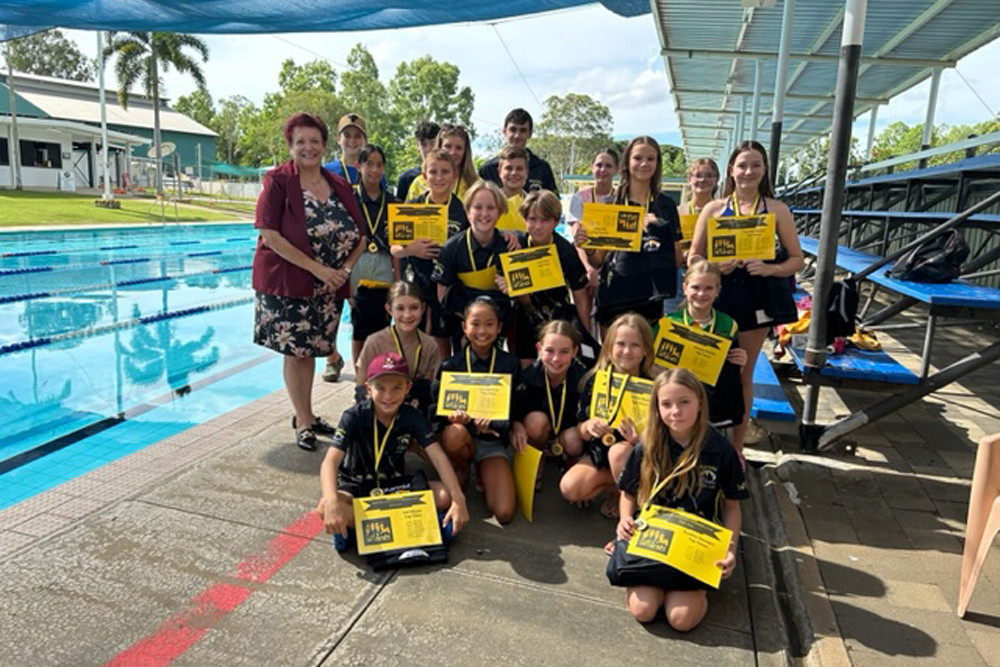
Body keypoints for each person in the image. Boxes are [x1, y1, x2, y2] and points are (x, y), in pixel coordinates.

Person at [252, 112, 365, 451]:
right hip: (289, 282)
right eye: (300, 141)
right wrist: (319, 270)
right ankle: (303, 419)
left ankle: (308, 415)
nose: (308, 147)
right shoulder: (278, 181)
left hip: (329, 286)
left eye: (314, 141)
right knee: (297, 352)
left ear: (324, 145)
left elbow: (361, 236)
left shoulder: (339, 185)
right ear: (290, 146)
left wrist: (343, 271)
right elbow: (269, 235)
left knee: (312, 352)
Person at [690, 140, 804, 453]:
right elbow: (693, 257)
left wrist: (770, 270)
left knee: (743, 373)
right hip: (718, 300)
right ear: (731, 169)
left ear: (765, 169)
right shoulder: (714, 208)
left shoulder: (777, 210)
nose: (748, 171)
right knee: (706, 368)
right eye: (742, 165)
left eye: (756, 165)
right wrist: (715, 266)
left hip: (756, 300)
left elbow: (797, 259)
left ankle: (736, 448)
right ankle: (697, 441)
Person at [612, 368, 747, 631]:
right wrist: (625, 519)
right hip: (655, 533)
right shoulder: (647, 446)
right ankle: (654, 578)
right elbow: (628, 493)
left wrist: (730, 549)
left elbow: (732, 507)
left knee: (681, 620)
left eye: (684, 402)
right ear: (657, 408)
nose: (676, 411)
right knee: (644, 610)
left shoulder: (721, 450)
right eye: (667, 404)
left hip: (695, 538)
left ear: (699, 403)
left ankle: (692, 587)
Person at [317, 352, 469, 551]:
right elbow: (330, 462)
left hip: (392, 486)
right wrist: (331, 500)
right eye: (380, 387)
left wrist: (459, 500)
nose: (388, 396)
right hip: (356, 487)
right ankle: (414, 524)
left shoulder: (412, 417)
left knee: (445, 495)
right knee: (324, 508)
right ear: (368, 389)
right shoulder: (353, 416)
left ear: (408, 388)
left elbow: (438, 457)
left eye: (397, 387)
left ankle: (361, 530)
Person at [575, 136, 682, 333]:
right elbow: (598, 261)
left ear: (658, 164)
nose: (644, 164)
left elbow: (676, 259)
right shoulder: (609, 204)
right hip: (615, 295)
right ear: (627, 162)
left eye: (651, 159)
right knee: (612, 361)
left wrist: (658, 230)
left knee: (643, 362)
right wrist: (588, 247)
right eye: (638, 158)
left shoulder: (665, 205)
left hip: (650, 297)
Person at [433, 297, 522, 524]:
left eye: (489, 324)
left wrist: (498, 424)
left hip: (491, 441)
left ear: (499, 327)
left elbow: (515, 408)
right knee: (454, 433)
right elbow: (436, 410)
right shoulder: (451, 366)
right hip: (461, 440)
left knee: (503, 513)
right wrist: (452, 418)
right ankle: (461, 469)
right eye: (475, 324)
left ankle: (483, 471)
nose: (482, 331)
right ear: (464, 327)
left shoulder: (509, 364)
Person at [559, 313, 655, 519]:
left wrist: (638, 441)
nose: (627, 351)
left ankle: (629, 515)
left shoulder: (652, 387)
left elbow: (661, 439)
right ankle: (614, 488)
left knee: (620, 453)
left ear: (646, 350)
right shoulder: (596, 381)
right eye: (620, 344)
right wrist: (588, 426)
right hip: (600, 454)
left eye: (635, 345)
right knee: (570, 488)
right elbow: (581, 429)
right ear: (609, 348)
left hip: (638, 460)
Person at [391, 149, 468, 361]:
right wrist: (411, 249)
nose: (439, 177)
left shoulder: (463, 210)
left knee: (452, 338)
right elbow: (395, 249)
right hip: (421, 283)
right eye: (433, 172)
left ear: (454, 176)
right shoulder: (411, 207)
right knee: (424, 338)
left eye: (445, 172)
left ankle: (447, 377)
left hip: (453, 285)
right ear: (424, 176)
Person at [657, 259, 747, 432]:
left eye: (708, 288)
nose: (701, 294)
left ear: (717, 291)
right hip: (677, 401)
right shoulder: (668, 324)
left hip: (713, 403)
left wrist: (740, 361)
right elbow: (654, 368)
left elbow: (732, 374)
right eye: (695, 288)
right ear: (684, 288)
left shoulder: (728, 325)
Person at [503, 190, 591, 364]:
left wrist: (586, 335)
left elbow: (581, 298)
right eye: (532, 219)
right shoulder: (516, 245)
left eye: (544, 220)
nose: (538, 226)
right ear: (524, 219)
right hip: (525, 316)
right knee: (525, 370)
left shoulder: (565, 251)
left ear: (556, 221)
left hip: (558, 318)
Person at [320, 112, 376, 382]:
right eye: (348, 135)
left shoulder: (372, 169)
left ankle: (362, 370)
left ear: (364, 140)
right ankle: (332, 357)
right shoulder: (327, 169)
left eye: (358, 136)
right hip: (332, 251)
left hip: (362, 252)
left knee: (358, 312)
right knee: (327, 311)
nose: (352, 141)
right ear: (339, 139)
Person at [433, 180, 515, 349]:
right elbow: (442, 292)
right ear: (467, 211)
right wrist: (471, 322)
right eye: (478, 207)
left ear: (499, 212)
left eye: (491, 208)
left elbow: (523, 295)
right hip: (462, 321)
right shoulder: (452, 247)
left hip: (499, 324)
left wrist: (512, 289)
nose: (484, 214)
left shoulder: (511, 246)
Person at [355, 281, 442, 414]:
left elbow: (429, 389)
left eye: (414, 308)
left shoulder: (429, 345)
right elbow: (361, 388)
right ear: (389, 309)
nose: (407, 315)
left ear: (423, 308)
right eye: (400, 308)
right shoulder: (374, 341)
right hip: (381, 408)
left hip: (414, 409)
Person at [513, 321, 586, 466]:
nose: (556, 359)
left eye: (564, 352)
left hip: (567, 432)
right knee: (535, 422)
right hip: (541, 430)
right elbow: (515, 409)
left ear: (575, 351)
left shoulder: (583, 380)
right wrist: (515, 424)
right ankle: (536, 461)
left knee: (574, 441)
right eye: (549, 351)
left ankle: (571, 465)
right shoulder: (527, 377)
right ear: (539, 349)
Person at [350, 144, 397, 368]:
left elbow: (399, 243)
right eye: (369, 164)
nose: (374, 170)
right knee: (359, 326)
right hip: (357, 264)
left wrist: (397, 281)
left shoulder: (393, 203)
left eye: (379, 165)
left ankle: (382, 373)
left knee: (384, 323)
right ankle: (359, 379)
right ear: (358, 166)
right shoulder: (349, 200)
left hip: (384, 263)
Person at [566, 148, 619, 327]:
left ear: (616, 170)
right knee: (586, 314)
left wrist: (605, 268)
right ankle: (589, 352)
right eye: (599, 165)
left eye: (608, 165)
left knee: (608, 318)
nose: (603, 169)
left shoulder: (621, 197)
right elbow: (577, 235)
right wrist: (589, 268)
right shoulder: (581, 196)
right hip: (584, 260)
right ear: (592, 167)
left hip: (613, 262)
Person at [478, 108, 557, 192]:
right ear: (504, 131)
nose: (517, 136)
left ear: (530, 134)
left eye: (523, 130)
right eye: (513, 130)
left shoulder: (542, 167)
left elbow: (553, 203)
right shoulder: (488, 169)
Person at [406, 124, 478, 201]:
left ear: (465, 152)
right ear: (439, 147)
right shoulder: (419, 183)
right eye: (448, 146)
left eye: (459, 148)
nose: (452, 152)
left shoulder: (476, 184)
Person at [395, 120, 440, 200]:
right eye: (423, 144)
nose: (429, 149)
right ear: (417, 146)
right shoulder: (406, 178)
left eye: (433, 143)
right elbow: (398, 210)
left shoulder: (448, 176)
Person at [494, 145, 528, 233]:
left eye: (519, 169)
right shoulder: (490, 203)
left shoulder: (534, 205)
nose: (514, 173)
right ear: (499, 172)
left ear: (527, 172)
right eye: (508, 168)